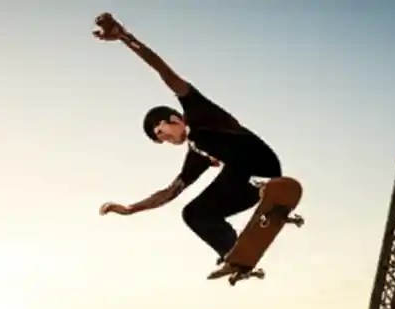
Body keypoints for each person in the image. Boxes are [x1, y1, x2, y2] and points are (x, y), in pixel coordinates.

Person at [93, 13, 284, 277]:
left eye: (163, 131)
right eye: (160, 140)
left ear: (174, 119)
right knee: (193, 213)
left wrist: (125, 37)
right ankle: (236, 253)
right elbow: (170, 192)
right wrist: (130, 209)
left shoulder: (196, 110)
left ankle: (263, 185)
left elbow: (163, 71)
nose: (165, 139)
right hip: (243, 186)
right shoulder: (197, 155)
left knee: (202, 140)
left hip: (260, 161)